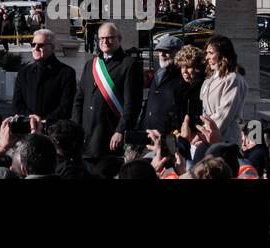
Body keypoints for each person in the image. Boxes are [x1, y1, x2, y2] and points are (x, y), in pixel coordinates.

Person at [71, 22, 143, 164]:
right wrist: (75, 129)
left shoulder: (129, 64)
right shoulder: (90, 64)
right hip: (87, 137)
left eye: (110, 37)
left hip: (110, 136)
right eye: (102, 38)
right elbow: (79, 100)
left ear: (119, 39)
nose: (105, 41)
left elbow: (132, 105)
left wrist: (121, 130)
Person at [12, 27, 76, 126]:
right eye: (33, 44)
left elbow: (66, 107)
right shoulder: (24, 72)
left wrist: (44, 121)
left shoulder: (66, 73)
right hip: (28, 128)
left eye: (40, 45)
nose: (36, 48)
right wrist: (32, 119)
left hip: (53, 129)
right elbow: (17, 105)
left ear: (52, 47)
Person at [199, 34, 247, 146]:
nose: (207, 57)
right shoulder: (210, 79)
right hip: (208, 137)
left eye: (210, 53)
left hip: (225, 139)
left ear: (222, 55)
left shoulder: (233, 79)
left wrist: (206, 132)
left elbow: (224, 113)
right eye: (207, 53)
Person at [138, 35, 187, 135]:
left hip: (168, 138)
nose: (162, 54)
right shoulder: (157, 74)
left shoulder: (184, 78)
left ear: (179, 53)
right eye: (160, 51)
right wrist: (141, 126)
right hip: (147, 134)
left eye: (167, 51)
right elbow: (148, 104)